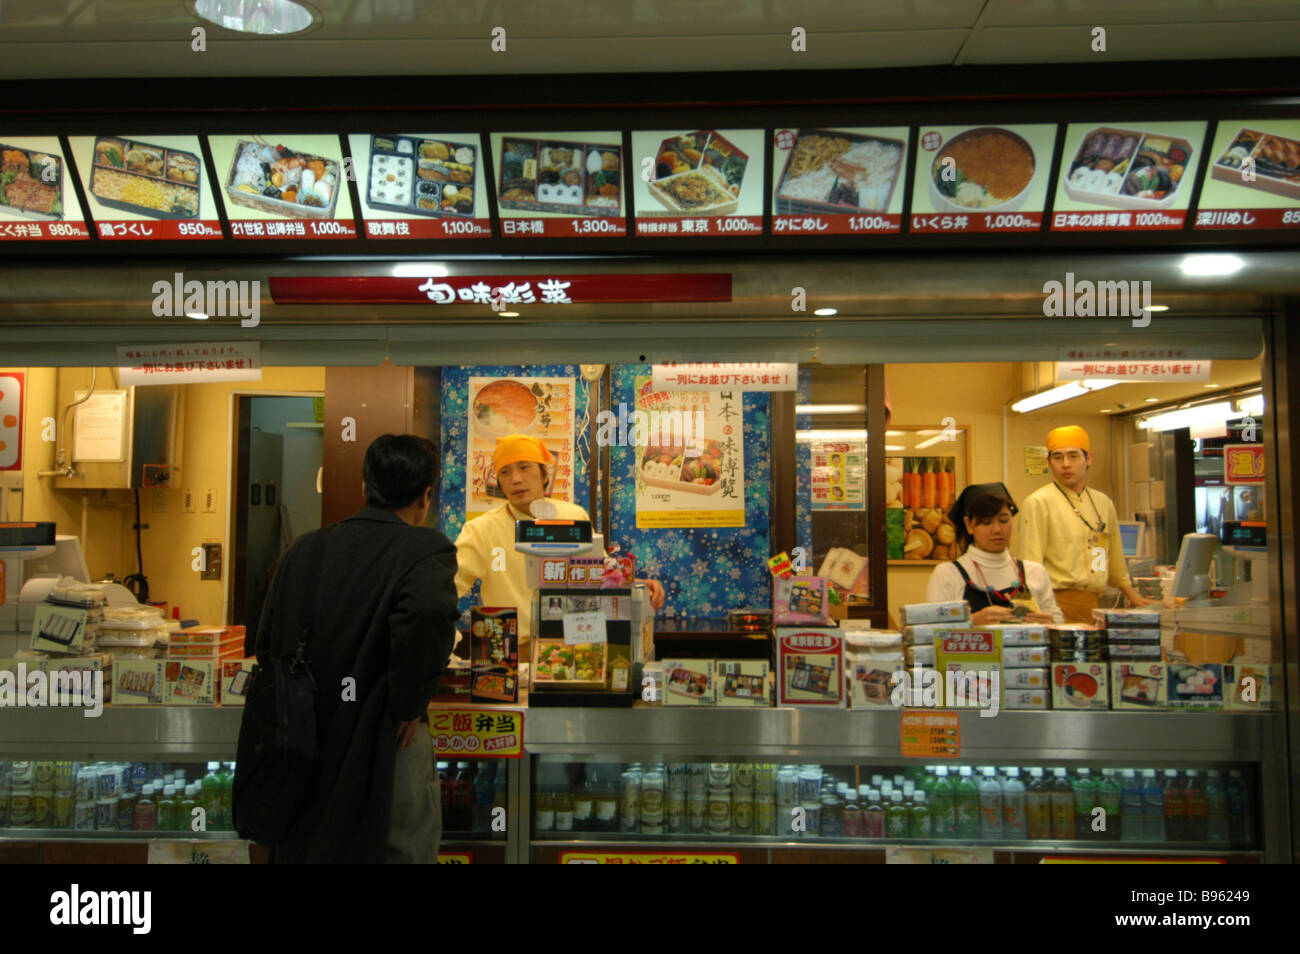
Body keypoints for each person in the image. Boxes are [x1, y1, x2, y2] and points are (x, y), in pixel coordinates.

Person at [255, 434, 460, 863]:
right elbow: (425, 616)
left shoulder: (305, 548)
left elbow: (267, 642)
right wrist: (409, 703)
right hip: (386, 738)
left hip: (300, 736)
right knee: (396, 847)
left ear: (365, 488)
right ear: (425, 497)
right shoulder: (425, 550)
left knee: (306, 844)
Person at [454, 434, 665, 653]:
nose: (516, 479)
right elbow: (446, 587)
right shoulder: (480, 530)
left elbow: (600, 573)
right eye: (505, 472)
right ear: (499, 482)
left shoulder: (572, 515)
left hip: (575, 644)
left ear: (545, 474)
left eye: (525, 467)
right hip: (514, 652)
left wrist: (638, 585)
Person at [1018, 425, 1151, 623]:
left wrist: (1133, 596)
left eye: (1073, 456)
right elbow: (1030, 564)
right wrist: (1033, 613)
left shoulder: (1103, 503)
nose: (1065, 464)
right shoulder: (1038, 502)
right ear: (1049, 462)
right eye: (1057, 457)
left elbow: (1113, 558)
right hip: (1053, 604)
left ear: (1088, 459)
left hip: (1092, 604)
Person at [926, 482, 1063, 625]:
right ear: (969, 525)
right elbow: (933, 634)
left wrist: (1052, 625)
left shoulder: (1034, 572)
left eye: (1004, 520)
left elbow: (1059, 624)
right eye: (986, 522)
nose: (997, 529)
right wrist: (972, 622)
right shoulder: (948, 574)